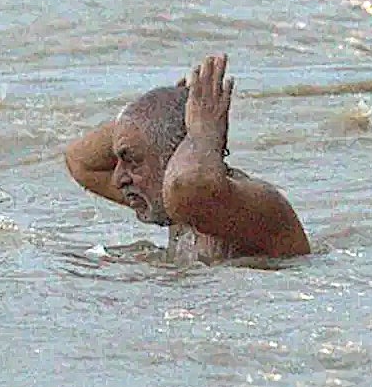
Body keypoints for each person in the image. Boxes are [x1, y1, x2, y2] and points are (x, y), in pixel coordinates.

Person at [63, 54, 308, 263]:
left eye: (132, 160)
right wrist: (158, 112)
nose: (118, 179)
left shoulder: (240, 204)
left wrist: (202, 133)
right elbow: (81, 161)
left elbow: (186, 185)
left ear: (175, 155)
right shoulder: (172, 204)